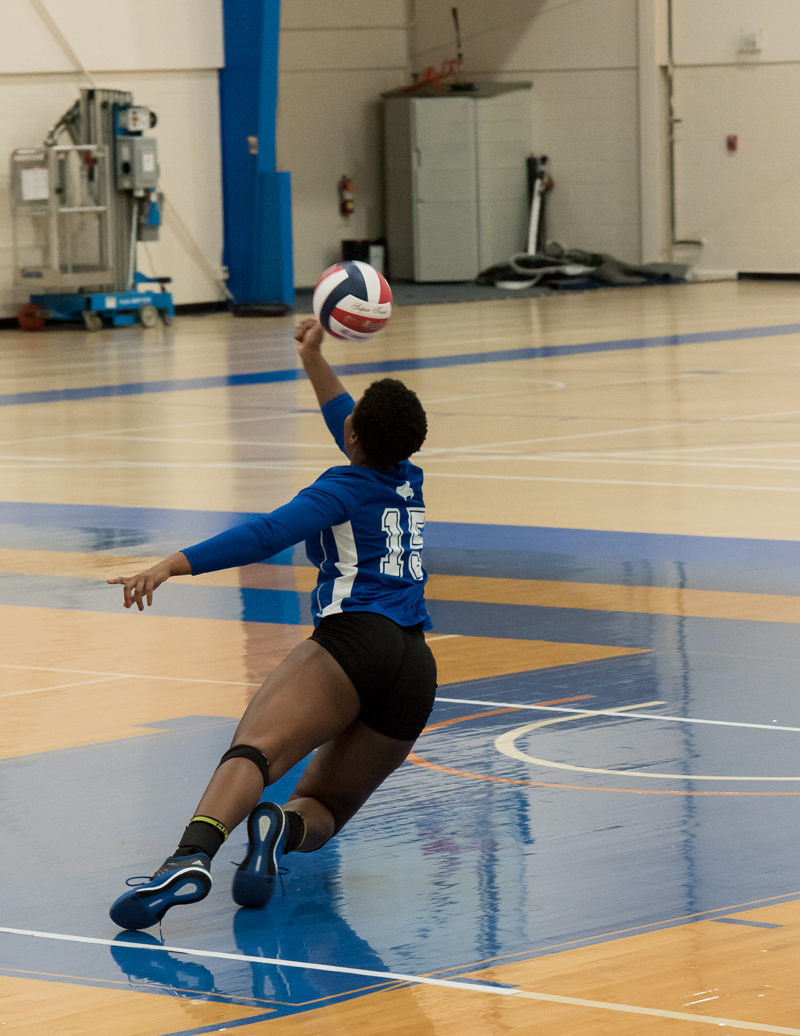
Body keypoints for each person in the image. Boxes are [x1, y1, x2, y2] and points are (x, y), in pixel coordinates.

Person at [108, 317, 437, 930]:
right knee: (325, 808)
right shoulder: (406, 480)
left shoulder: (340, 487)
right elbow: (350, 417)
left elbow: (265, 535)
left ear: (356, 436)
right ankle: (275, 828)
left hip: (353, 641)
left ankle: (188, 861)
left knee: (255, 754)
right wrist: (313, 356)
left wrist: (171, 566)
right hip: (416, 667)